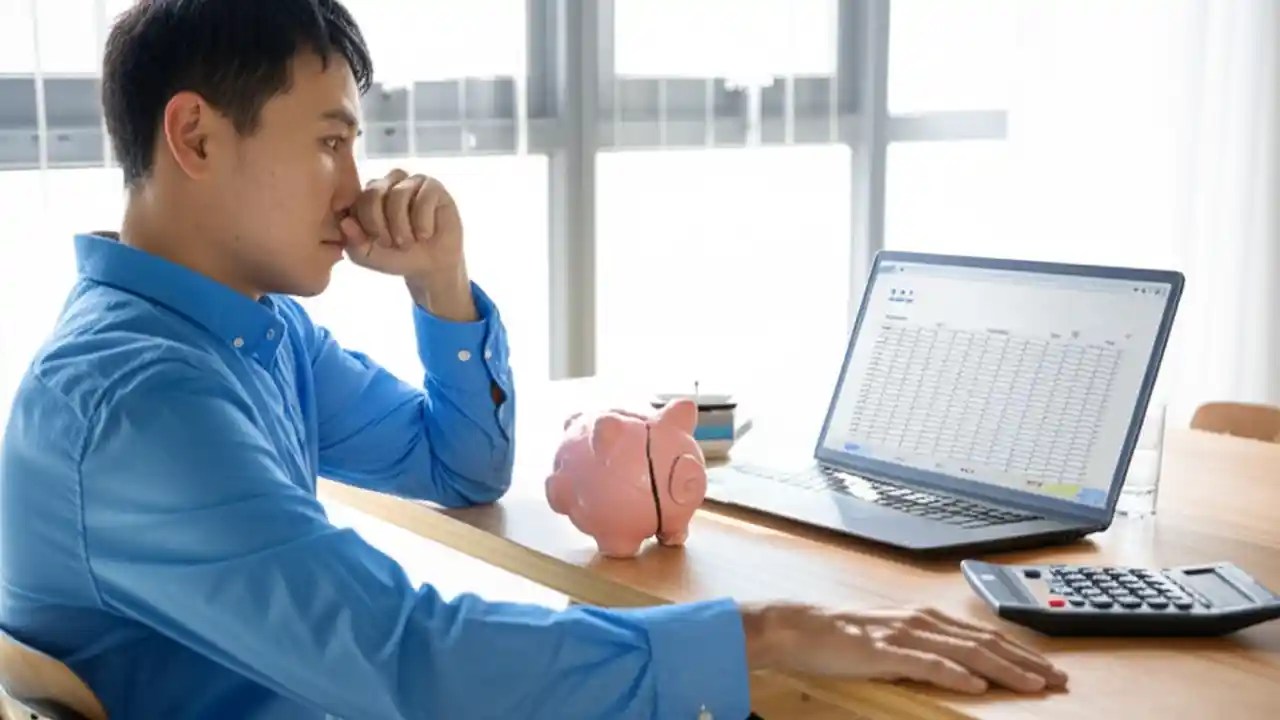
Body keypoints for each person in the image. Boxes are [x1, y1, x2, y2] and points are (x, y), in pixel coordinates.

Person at [0, 1, 1067, 717]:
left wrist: (441, 285)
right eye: (329, 141)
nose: (355, 184)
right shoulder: (146, 404)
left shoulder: (243, 332)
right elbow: (409, 659)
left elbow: (456, 465)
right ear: (194, 137)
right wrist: (765, 633)